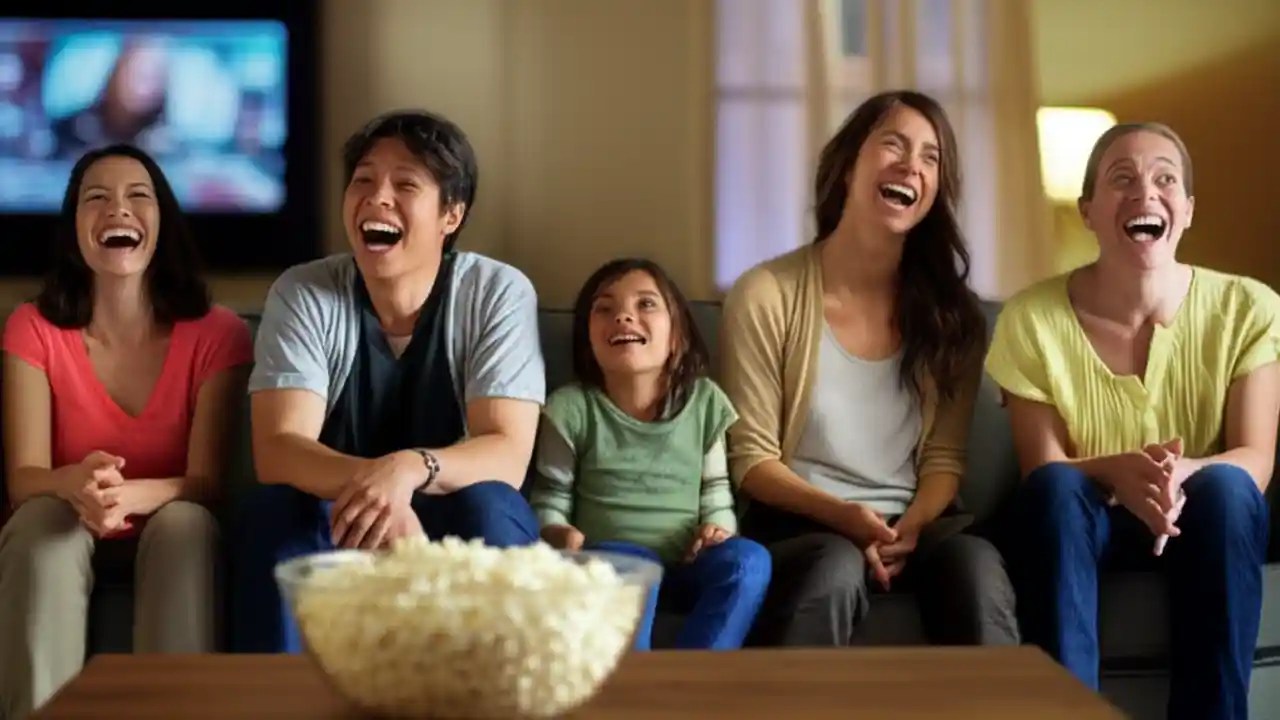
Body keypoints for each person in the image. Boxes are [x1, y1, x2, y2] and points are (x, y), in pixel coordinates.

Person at [986, 122, 1277, 720]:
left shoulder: (1249, 307)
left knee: (1227, 484)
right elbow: (1043, 468)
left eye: (1165, 179)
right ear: (1089, 211)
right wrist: (1116, 475)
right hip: (1086, 520)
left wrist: (1184, 473)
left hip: (1201, 518)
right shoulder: (1032, 317)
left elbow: (1256, 458)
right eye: (1122, 179)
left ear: (1188, 211)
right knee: (1058, 488)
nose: (1146, 192)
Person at [230, 109, 545, 654]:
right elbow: (279, 449)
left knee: (491, 506)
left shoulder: (497, 292)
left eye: (405, 184)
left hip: (452, 506)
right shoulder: (304, 292)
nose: (377, 197)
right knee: (271, 512)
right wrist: (380, 492)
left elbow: (507, 454)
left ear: (452, 214)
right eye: (363, 181)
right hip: (340, 513)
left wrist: (407, 470)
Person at [720, 90, 1019, 648]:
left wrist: (909, 528)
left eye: (931, 158)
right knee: (832, 570)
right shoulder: (766, 294)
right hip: (799, 523)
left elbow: (943, 459)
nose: (912, 165)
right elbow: (753, 460)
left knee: (975, 567)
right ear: (848, 164)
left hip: (916, 521)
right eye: (893, 145)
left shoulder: (955, 317)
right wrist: (845, 517)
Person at [0, 144, 253, 719]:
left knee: (187, 523)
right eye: (97, 199)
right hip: (64, 519)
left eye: (138, 196)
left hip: (170, 523)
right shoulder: (31, 328)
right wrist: (76, 484)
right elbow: (24, 480)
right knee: (40, 520)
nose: (118, 210)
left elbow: (207, 482)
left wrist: (132, 494)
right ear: (75, 229)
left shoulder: (218, 333)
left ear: (161, 223)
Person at [531, 259, 771, 650]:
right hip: (613, 562)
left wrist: (717, 531)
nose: (623, 316)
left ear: (676, 336)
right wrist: (557, 532)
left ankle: (694, 685)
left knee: (750, 561)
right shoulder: (571, 408)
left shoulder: (705, 402)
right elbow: (550, 496)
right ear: (587, 339)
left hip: (692, 564)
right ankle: (634, 688)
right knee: (620, 561)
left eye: (645, 305)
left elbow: (715, 491)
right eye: (604, 309)